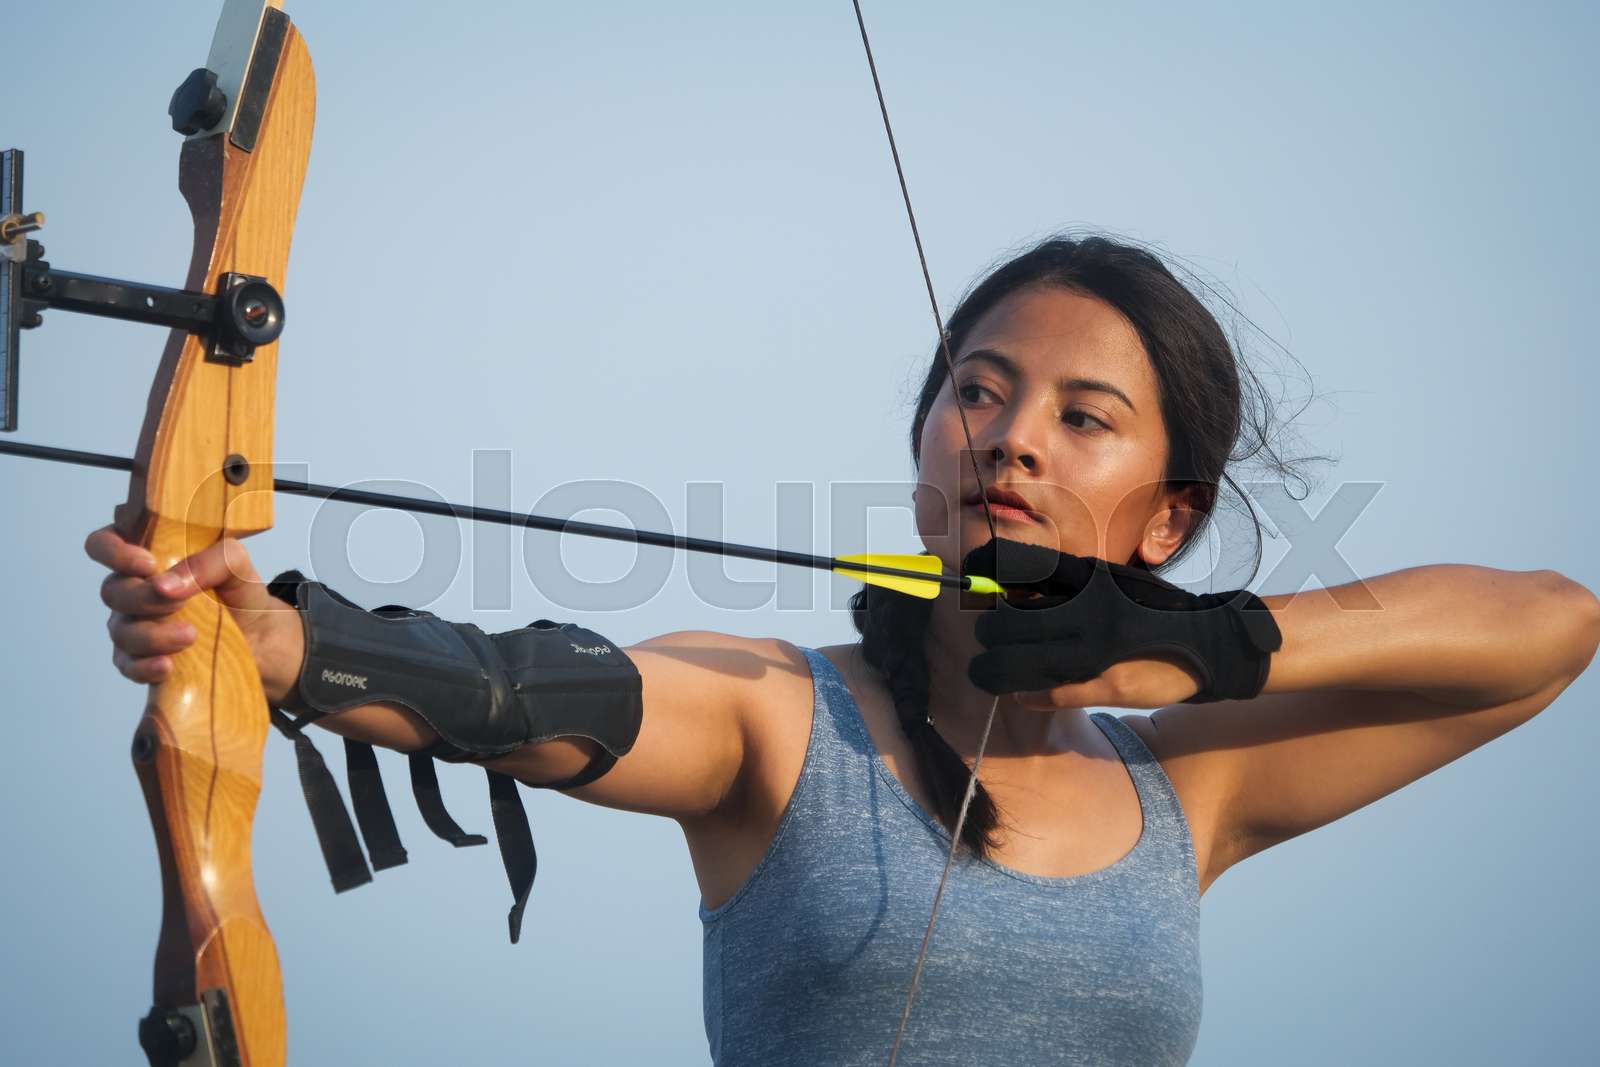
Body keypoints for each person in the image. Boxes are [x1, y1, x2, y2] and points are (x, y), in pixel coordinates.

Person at [86, 236, 1600, 1066]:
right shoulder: (779, 718)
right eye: (978, 391)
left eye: (1083, 417)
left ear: (1168, 517)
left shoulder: (1184, 787)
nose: (1007, 437)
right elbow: (529, 695)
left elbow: (1548, 630)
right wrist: (282, 642)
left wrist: (1191, 655)